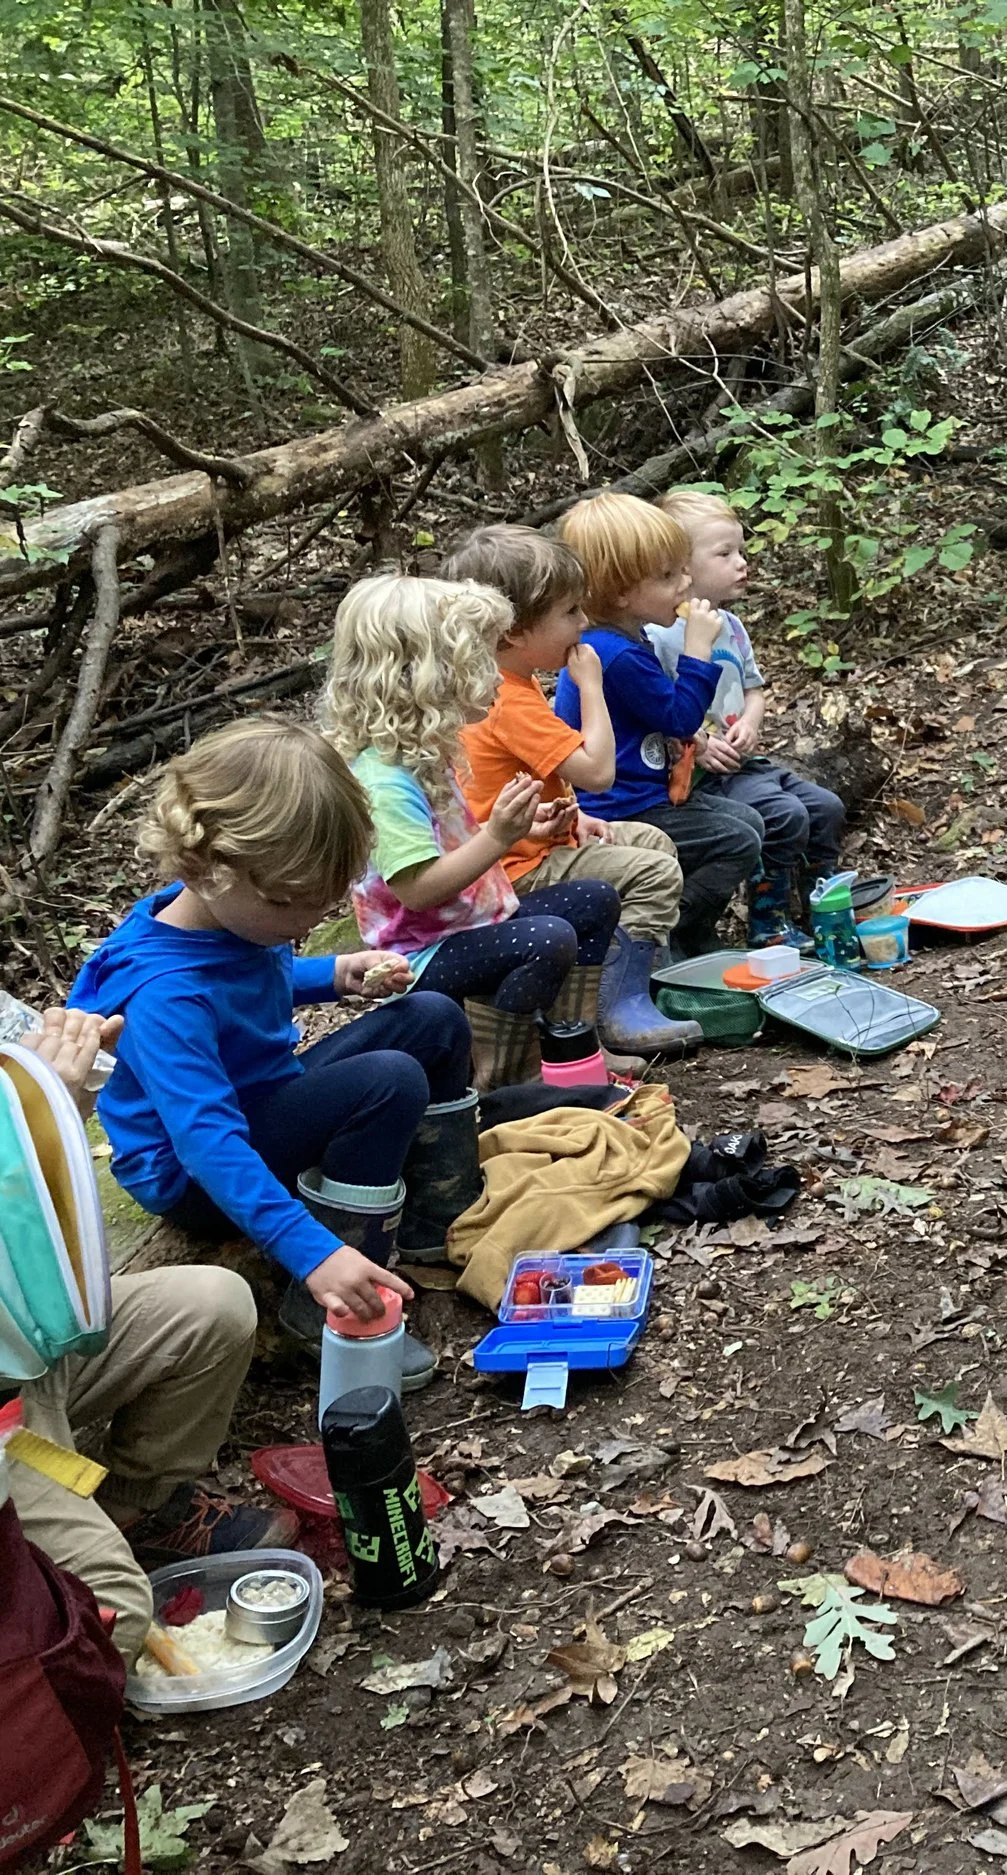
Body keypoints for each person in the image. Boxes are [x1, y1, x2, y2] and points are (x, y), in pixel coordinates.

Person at [68, 717, 459, 1377]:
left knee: (433, 1017)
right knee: (388, 1078)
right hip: (196, 1173)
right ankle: (335, 1303)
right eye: (289, 905)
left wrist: (333, 975)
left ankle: (436, 1216)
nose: (305, 924)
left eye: (320, 905)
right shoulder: (165, 996)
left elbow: (247, 978)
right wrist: (312, 1253)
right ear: (204, 866)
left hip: (262, 1101)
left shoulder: (229, 915)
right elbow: (208, 1142)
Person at [3, 1005, 298, 1667]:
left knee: (212, 1307)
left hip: (23, 1349)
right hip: (4, 1405)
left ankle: (136, 1509)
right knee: (116, 1609)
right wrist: (29, 1127)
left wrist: (48, 1113)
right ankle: (41, 1707)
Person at [324, 574, 630, 1091]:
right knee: (547, 938)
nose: (495, 675)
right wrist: (498, 839)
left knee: (594, 901)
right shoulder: (385, 778)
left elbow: (444, 844)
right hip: (421, 956)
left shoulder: (425, 754)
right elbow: (416, 889)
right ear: (430, 677)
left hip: (472, 924)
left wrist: (515, 826)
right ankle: (506, 1081)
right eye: (482, 661)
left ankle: (571, 1046)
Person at [445, 524, 704, 1060]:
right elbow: (597, 772)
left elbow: (532, 778)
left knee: (652, 843)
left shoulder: (509, 684)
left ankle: (630, 986)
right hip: (514, 866)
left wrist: (570, 816)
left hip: (536, 839)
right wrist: (590, 686)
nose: (584, 622)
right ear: (514, 631)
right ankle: (613, 1009)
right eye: (569, 612)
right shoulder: (507, 700)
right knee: (652, 872)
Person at [551, 491, 762, 955]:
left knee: (747, 821)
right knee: (737, 840)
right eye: (668, 576)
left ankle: (686, 928)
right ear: (621, 593)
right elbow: (681, 717)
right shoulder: (615, 653)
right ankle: (672, 929)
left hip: (645, 794)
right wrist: (698, 648)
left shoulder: (627, 638)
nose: (686, 583)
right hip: (619, 806)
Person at [651, 486, 847, 947]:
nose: (742, 563)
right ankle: (768, 922)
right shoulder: (660, 633)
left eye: (741, 550)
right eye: (724, 554)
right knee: (784, 814)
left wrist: (751, 723)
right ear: (682, 567)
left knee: (826, 807)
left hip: (743, 762)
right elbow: (653, 707)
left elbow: (753, 689)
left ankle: (824, 910)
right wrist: (697, 741)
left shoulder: (732, 626)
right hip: (702, 775)